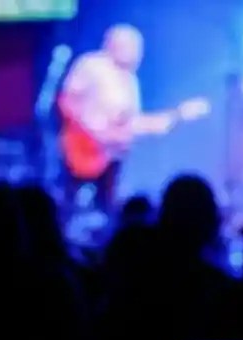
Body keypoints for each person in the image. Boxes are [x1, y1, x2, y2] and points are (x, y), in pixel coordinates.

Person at [57, 24, 207, 216]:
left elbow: (131, 123)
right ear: (113, 45)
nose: (138, 54)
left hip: (111, 159)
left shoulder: (129, 80)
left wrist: (179, 115)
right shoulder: (92, 65)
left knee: (106, 209)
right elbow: (67, 101)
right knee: (73, 207)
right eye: (133, 48)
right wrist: (95, 132)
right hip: (84, 152)